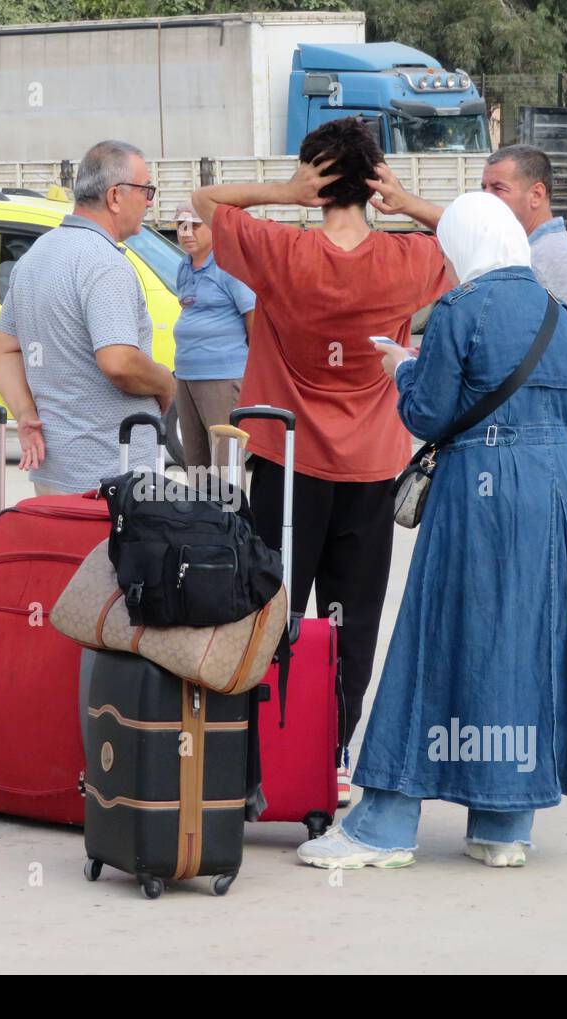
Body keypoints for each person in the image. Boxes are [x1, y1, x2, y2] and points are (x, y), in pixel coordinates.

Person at [296, 192, 567, 871]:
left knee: (435, 634)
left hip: (484, 487)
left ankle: (384, 825)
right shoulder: (557, 312)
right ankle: (503, 823)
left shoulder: (462, 308)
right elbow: (565, 404)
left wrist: (401, 368)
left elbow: (429, 414)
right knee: (523, 641)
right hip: (557, 487)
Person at [192, 117, 449, 806]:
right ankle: (331, 754)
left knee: (271, 610)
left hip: (287, 462)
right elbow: (485, 239)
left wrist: (283, 192)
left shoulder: (281, 250)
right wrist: (408, 201)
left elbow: (204, 201)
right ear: (371, 183)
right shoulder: (407, 261)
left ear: (314, 180)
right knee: (351, 619)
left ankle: (257, 757)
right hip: (371, 468)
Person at [369, 143, 567, 458]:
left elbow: (428, 415)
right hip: (539, 440)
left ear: (536, 195)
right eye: (483, 187)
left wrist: (405, 369)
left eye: (498, 189)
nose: (487, 198)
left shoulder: (540, 258)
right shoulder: (529, 252)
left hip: (531, 440)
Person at [0, 141, 176, 494]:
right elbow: (118, 361)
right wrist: (165, 383)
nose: (150, 201)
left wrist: (25, 413)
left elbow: (2, 347)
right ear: (115, 196)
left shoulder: (37, 255)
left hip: (54, 472)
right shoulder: (104, 263)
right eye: (146, 190)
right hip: (112, 479)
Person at [170, 201, 255, 474]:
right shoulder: (184, 266)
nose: (186, 232)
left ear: (213, 228)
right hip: (186, 375)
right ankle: (200, 504)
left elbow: (253, 316)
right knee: (195, 462)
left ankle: (228, 504)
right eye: (181, 225)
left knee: (225, 463)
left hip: (222, 377)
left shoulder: (229, 266)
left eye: (194, 225)